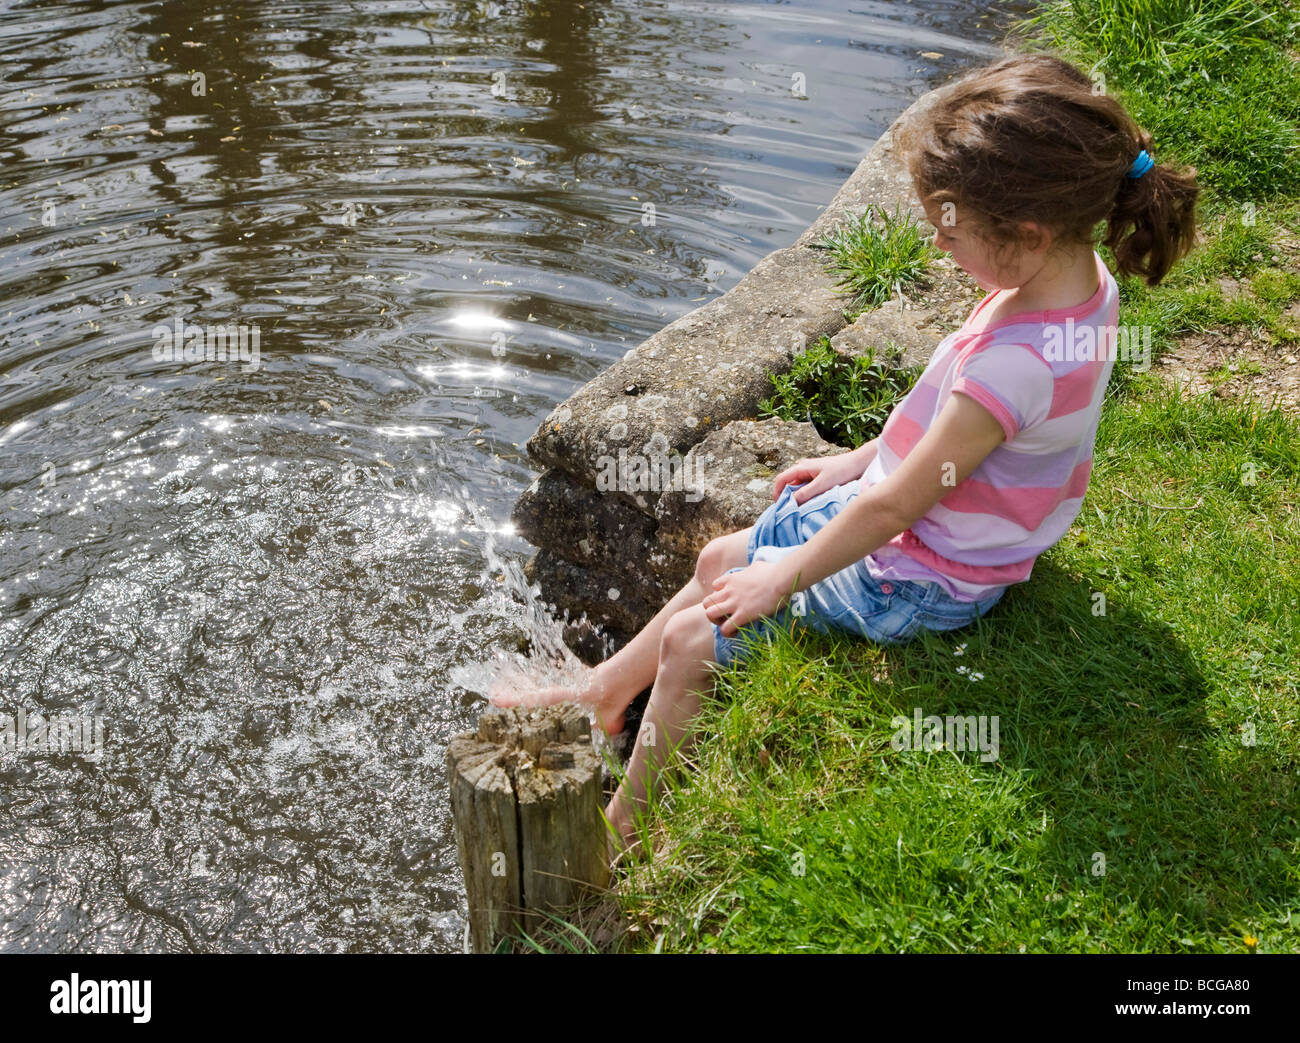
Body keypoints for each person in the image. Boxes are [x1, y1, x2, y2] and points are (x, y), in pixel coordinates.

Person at [493, 53, 1199, 852]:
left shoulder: (1018, 364)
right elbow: (941, 435)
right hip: (941, 528)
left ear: (1026, 233)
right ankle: (605, 693)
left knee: (699, 638)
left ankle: (619, 834)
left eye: (948, 223)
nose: (935, 239)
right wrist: (859, 457)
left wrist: (785, 576)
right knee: (720, 557)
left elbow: (904, 502)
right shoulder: (1079, 284)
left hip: (927, 575)